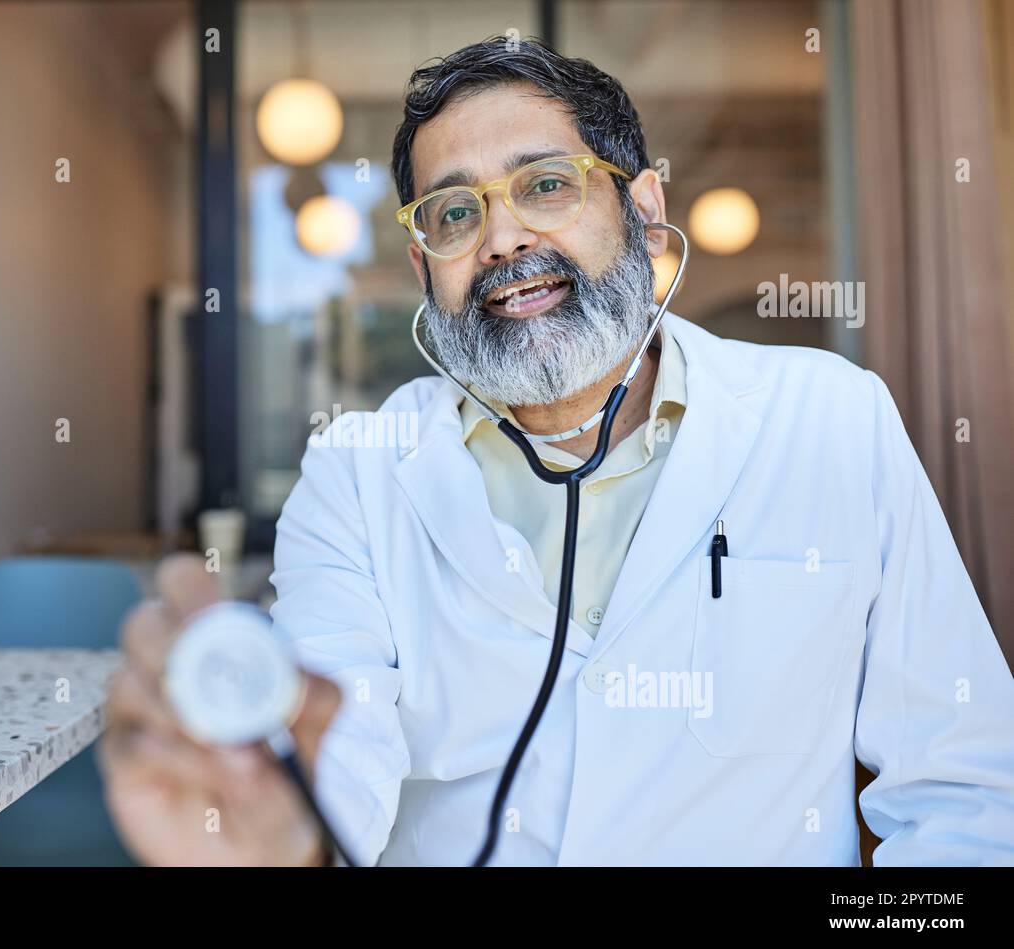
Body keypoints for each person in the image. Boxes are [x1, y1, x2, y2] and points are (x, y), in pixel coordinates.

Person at [99, 38, 1014, 866]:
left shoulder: (832, 420)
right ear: (425, 269)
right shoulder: (358, 468)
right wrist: (287, 840)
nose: (502, 238)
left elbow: (967, 793)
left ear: (645, 209)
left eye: (545, 184)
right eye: (453, 214)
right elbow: (339, 741)